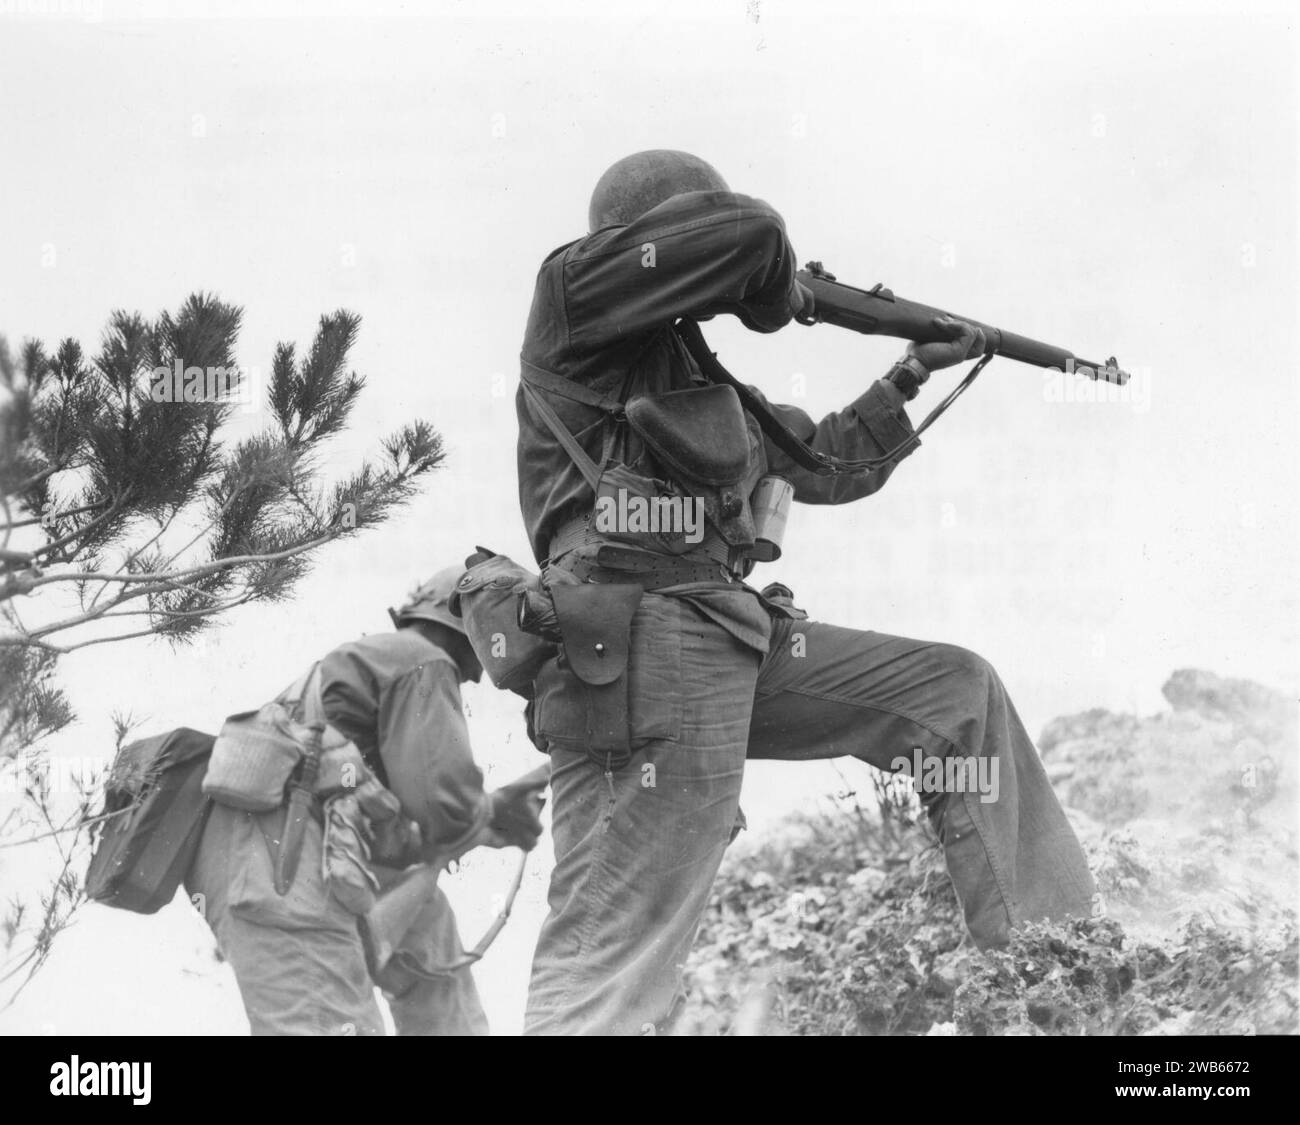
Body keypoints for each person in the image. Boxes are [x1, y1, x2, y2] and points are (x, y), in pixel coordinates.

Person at [515, 149, 1098, 1035]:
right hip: (635, 641)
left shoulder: (695, 371)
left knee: (955, 696)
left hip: (729, 632)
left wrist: (907, 373)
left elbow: (825, 462)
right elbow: (751, 234)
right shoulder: (573, 302)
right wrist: (784, 292)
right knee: (615, 951)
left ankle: (1051, 968)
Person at [186, 567, 547, 1035]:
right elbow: (443, 809)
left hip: (306, 854)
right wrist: (492, 812)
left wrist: (484, 818)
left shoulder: (379, 662)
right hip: (284, 863)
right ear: (473, 621)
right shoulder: (419, 658)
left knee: (431, 946)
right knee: (326, 1022)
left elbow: (413, 816)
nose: (485, 676)